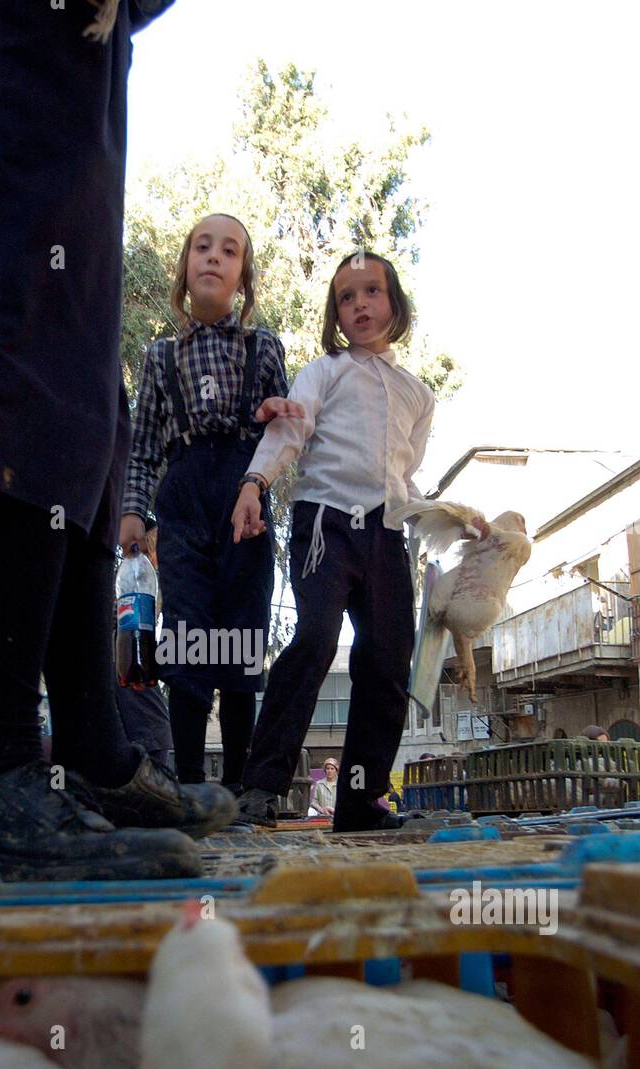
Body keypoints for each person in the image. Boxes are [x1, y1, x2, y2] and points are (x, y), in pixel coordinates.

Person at [0, 0, 233, 881]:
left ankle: (92, 756)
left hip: (60, 64)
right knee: (30, 353)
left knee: (87, 401)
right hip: (12, 43)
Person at [232, 251, 435, 832]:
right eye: (347, 297)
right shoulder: (325, 371)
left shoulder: (418, 395)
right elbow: (290, 429)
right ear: (335, 314)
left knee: (387, 660)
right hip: (324, 522)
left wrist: (444, 518)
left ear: (394, 301)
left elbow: (402, 472)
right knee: (318, 637)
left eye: (372, 291)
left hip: (388, 533)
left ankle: (360, 801)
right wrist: (255, 481)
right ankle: (259, 787)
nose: (361, 304)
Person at [119, 213, 295, 794]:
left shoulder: (264, 347)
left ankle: (243, 788)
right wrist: (134, 513)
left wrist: (271, 437)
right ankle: (192, 785)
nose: (214, 258)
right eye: (202, 247)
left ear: (243, 279)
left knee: (243, 645)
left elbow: (284, 434)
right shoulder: (160, 356)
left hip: (246, 504)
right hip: (185, 508)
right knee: (187, 642)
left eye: (229, 251)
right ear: (184, 270)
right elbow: (143, 450)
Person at [114, 521, 174, 770]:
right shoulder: (133, 572)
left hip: (133, 660)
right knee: (151, 728)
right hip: (122, 657)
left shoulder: (151, 575)